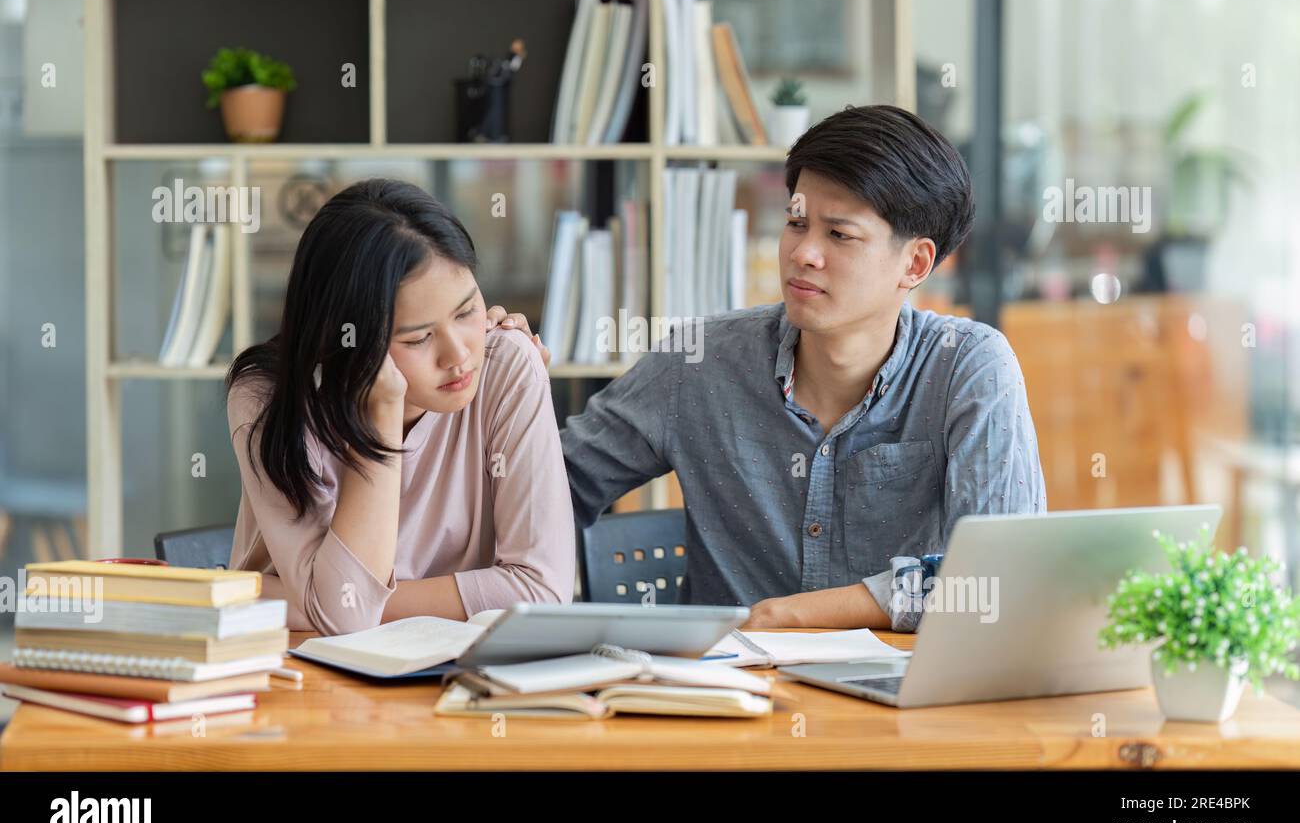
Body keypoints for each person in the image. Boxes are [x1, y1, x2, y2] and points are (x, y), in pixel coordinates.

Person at [496, 104, 1047, 630]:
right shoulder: (700, 360)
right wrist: (493, 388)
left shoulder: (968, 368)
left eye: (839, 234)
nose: (803, 253)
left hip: (899, 687)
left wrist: (794, 614)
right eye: (796, 222)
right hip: (728, 687)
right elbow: (543, 493)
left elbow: (1003, 573)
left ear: (915, 262)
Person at [226, 178, 574, 635]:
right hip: (296, 664)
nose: (459, 355)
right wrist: (383, 413)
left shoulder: (505, 365)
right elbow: (344, 613)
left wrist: (314, 603)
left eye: (466, 311)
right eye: (418, 338)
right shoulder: (266, 398)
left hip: (449, 663)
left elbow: (541, 592)